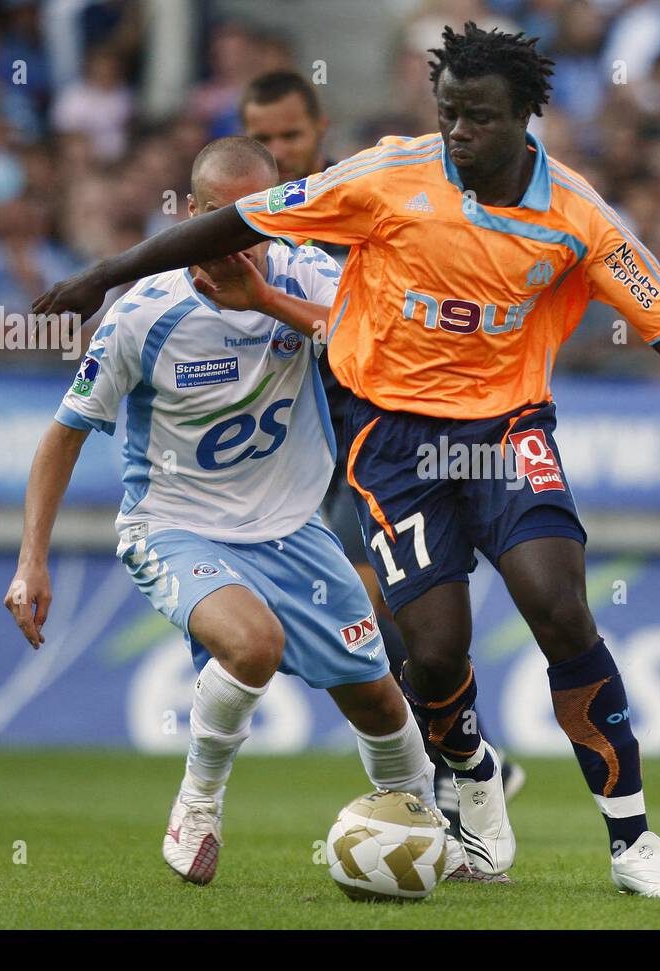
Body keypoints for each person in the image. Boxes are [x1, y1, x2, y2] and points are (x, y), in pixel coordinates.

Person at [32, 24, 660, 898]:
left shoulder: (580, 217)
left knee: (558, 605)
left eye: (478, 118)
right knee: (433, 654)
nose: (458, 134)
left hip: (508, 432)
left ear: (526, 118)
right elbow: (239, 218)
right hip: (391, 440)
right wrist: (106, 271)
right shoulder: (388, 175)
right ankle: (470, 768)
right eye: (448, 115)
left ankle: (633, 842)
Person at [4, 137, 478, 886]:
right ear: (193, 215)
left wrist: (264, 301)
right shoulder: (142, 315)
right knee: (252, 644)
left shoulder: (306, 271)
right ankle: (198, 804)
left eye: (258, 216)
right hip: (176, 524)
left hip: (294, 531)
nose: (243, 238)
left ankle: (423, 829)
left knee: (379, 697)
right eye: (223, 218)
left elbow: (375, 348)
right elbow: (62, 437)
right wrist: (32, 559)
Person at [241, 68, 524, 836]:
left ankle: (458, 758)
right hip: (292, 457)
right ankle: (461, 753)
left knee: (374, 600)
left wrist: (269, 302)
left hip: (375, 437)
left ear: (320, 129)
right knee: (350, 613)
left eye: (289, 135)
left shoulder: (358, 205)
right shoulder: (254, 224)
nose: (276, 150)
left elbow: (352, 328)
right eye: (259, 138)